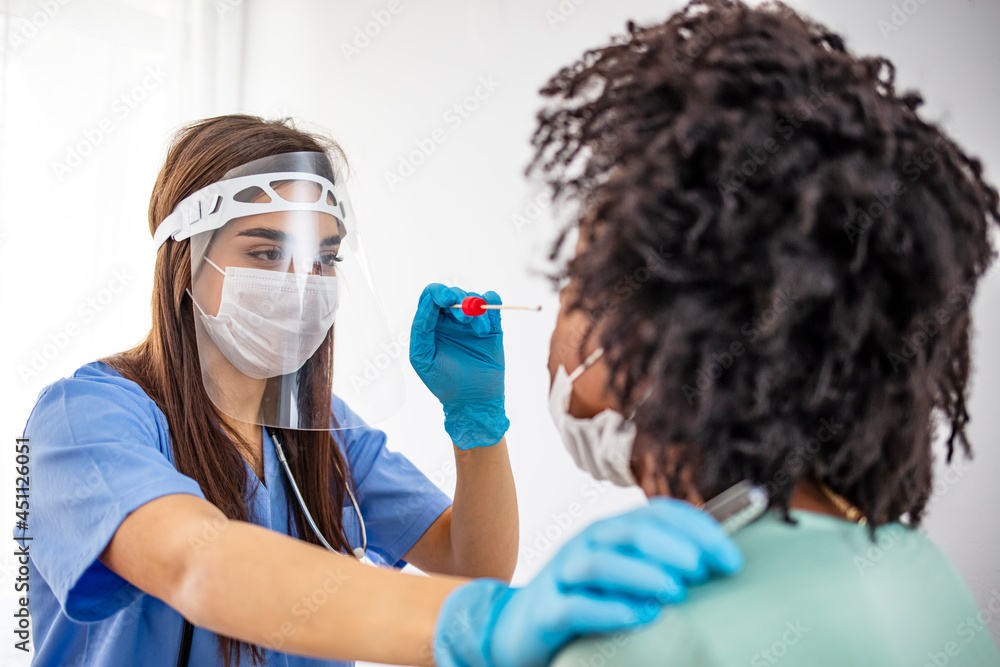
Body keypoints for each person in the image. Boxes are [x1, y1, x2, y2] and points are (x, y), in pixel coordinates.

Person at [18, 114, 743, 667]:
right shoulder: (85, 418)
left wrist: (475, 419)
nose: (302, 285)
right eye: (268, 252)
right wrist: (481, 624)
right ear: (185, 263)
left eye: (324, 258)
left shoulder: (323, 430)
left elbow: (473, 562)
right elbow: (195, 560)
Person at [526, 0, 1000, 664]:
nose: (557, 312)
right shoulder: (912, 568)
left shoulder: (641, 640)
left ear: (647, 334)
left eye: (577, 278)